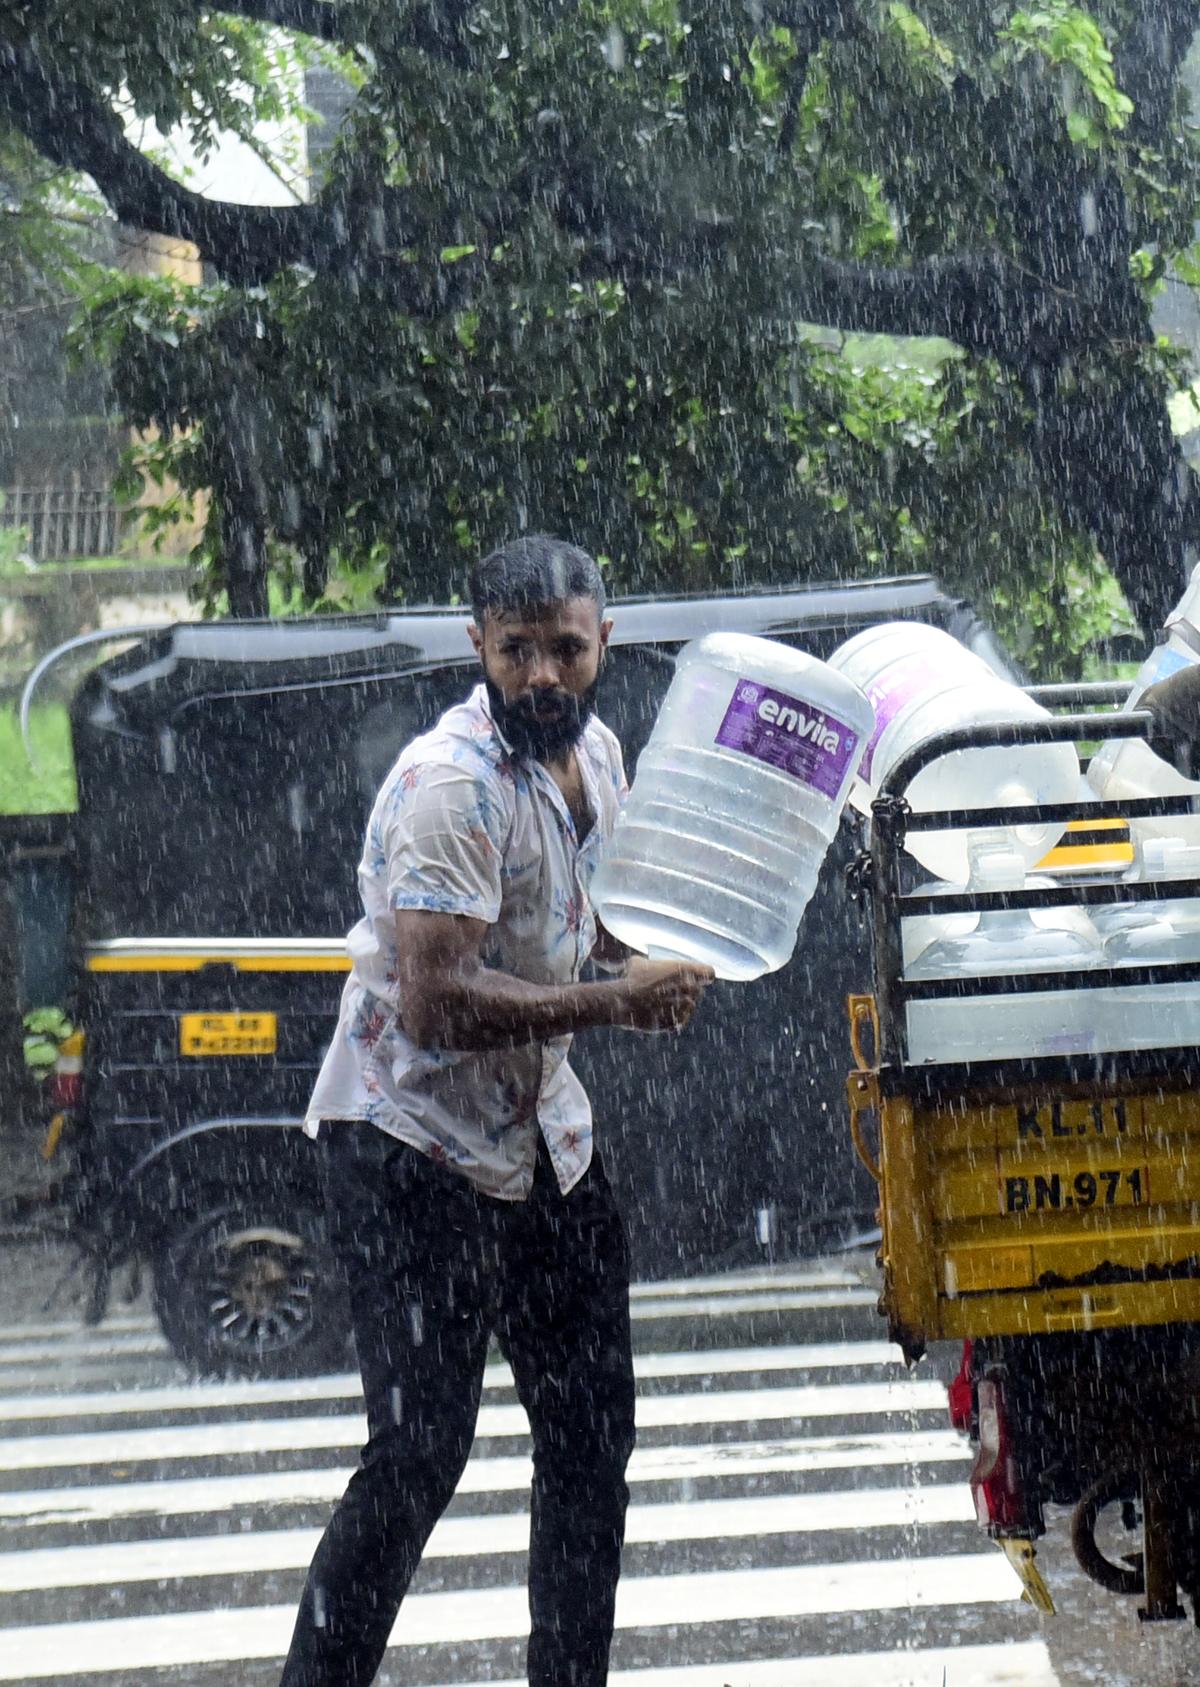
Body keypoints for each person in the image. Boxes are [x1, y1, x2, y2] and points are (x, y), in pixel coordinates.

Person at [279, 534, 714, 1687]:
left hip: (543, 1144)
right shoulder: (450, 784)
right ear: (478, 645)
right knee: (421, 1452)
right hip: (408, 1148)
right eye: (515, 650)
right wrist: (616, 1006)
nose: (540, 676)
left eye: (563, 650)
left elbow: (598, 929)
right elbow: (434, 1001)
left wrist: (662, 959)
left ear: (602, 645)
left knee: (591, 1439)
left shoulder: (602, 754)